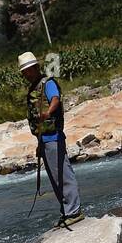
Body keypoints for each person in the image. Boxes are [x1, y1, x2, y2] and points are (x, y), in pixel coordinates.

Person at [19, 51, 83, 227]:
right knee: (56, 178)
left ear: (35, 68)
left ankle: (74, 211)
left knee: (63, 175)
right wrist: (39, 143)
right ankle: (66, 211)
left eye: (28, 70)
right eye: (24, 72)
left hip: (53, 137)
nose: (26, 74)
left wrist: (48, 112)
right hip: (44, 139)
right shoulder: (34, 88)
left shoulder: (47, 83)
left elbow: (55, 99)